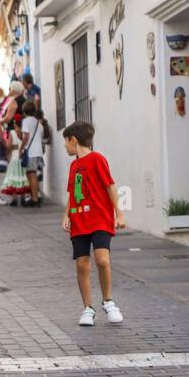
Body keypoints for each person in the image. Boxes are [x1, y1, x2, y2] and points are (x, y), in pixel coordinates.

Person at [61, 121, 126, 328]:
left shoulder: (98, 159)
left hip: (100, 218)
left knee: (102, 260)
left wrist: (119, 213)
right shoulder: (73, 166)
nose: (65, 146)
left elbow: (110, 186)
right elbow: (72, 192)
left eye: (66, 142)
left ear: (74, 140)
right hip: (79, 220)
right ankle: (88, 308)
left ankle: (108, 302)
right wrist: (66, 215)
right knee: (82, 263)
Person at [21, 105, 48, 208]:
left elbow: (26, 137)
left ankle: (35, 199)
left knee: (31, 175)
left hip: (31, 152)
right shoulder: (39, 123)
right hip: (38, 152)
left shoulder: (26, 121)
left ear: (24, 112)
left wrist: (21, 148)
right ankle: (35, 197)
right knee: (33, 175)